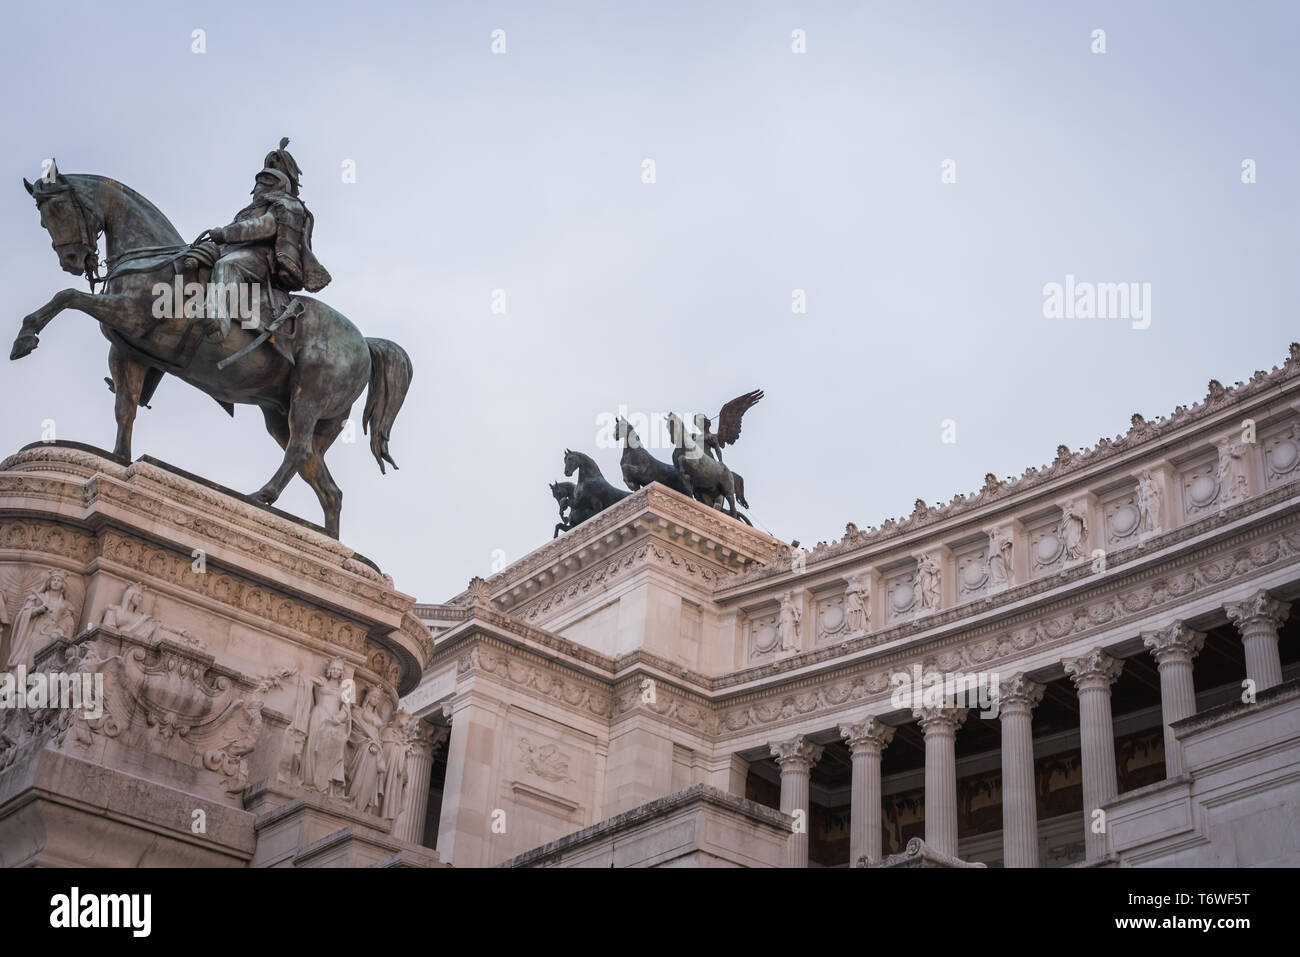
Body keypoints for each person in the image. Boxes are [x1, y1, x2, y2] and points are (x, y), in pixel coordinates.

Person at [203, 138, 331, 342]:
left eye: (265, 182)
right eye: (259, 182)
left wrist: (225, 233)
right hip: (235, 250)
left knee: (227, 267)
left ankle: (218, 319)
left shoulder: (287, 204)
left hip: (261, 258)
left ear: (278, 185)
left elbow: (265, 227)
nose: (259, 186)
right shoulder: (250, 209)